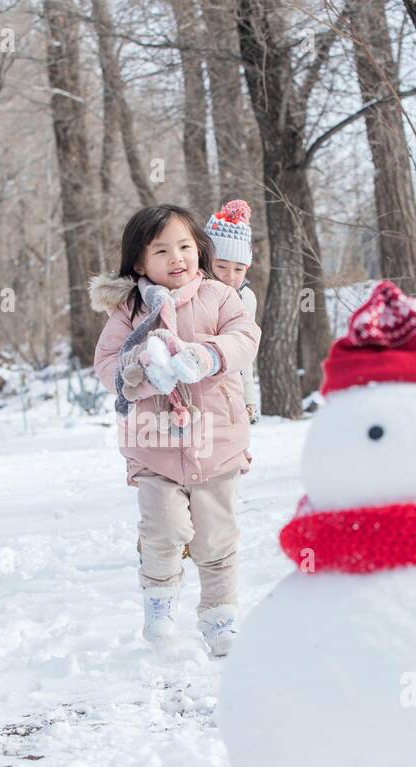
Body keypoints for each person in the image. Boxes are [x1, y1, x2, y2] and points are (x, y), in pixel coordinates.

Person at [91, 204, 261, 657]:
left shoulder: (220, 296)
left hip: (217, 442)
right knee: (165, 530)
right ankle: (160, 601)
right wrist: (140, 372)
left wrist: (206, 356)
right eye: (161, 250)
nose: (176, 257)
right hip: (154, 448)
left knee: (216, 536)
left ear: (199, 250)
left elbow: (246, 337)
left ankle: (220, 613)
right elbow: (106, 364)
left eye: (184, 246)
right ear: (139, 262)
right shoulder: (129, 310)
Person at [204, 200, 261, 423]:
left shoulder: (246, 298)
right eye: (221, 266)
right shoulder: (195, 292)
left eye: (238, 269)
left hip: (231, 390)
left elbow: (246, 353)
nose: (230, 275)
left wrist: (249, 400)